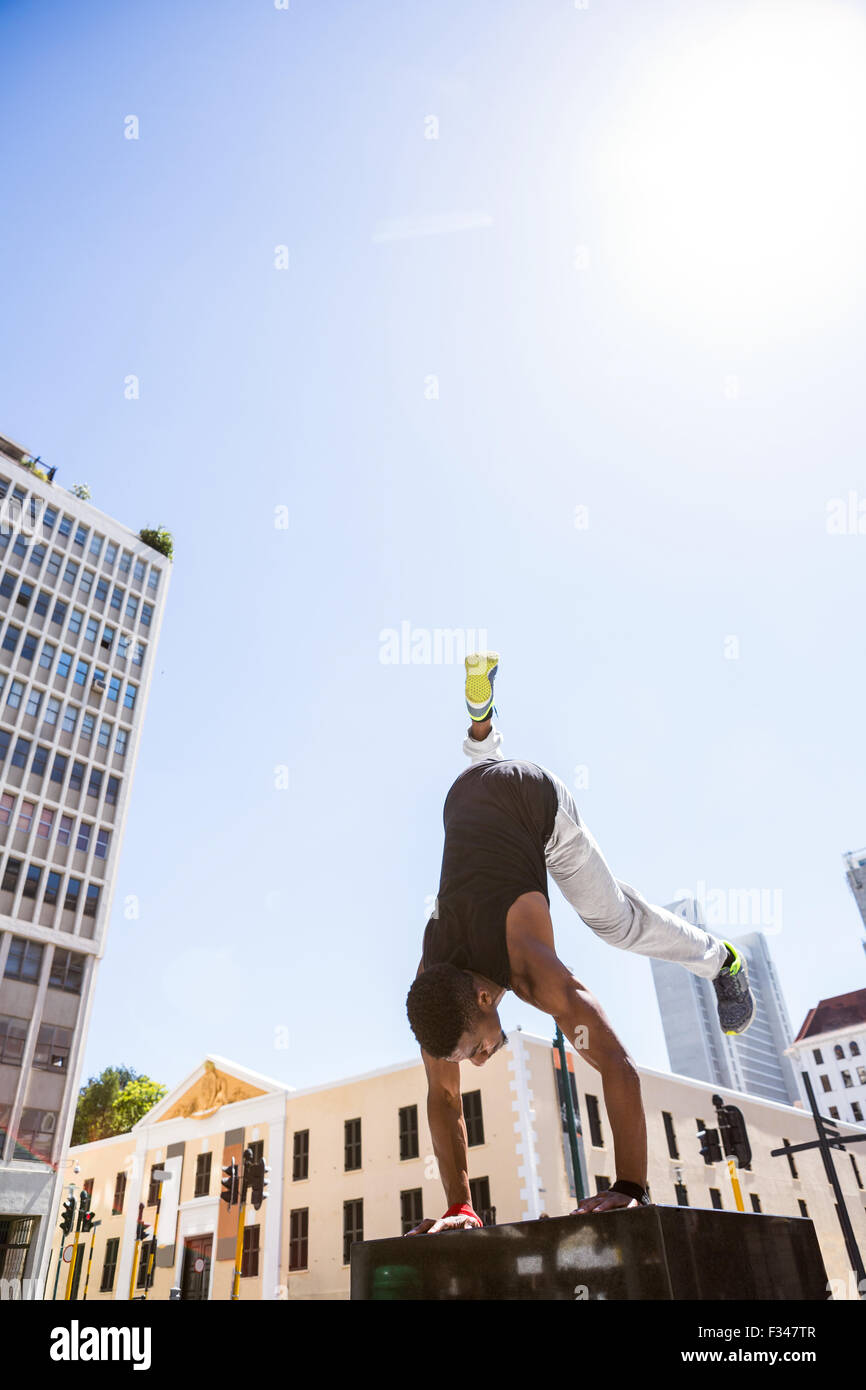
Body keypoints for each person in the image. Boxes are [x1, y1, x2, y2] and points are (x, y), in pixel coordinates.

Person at [404, 653, 755, 1235]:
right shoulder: (436, 995)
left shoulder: (534, 972)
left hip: (538, 804)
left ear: (488, 1001)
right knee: (484, 788)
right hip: (463, 792)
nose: (478, 1060)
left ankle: (720, 960)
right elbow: (442, 1100)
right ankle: (480, 723)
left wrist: (630, 1188)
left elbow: (619, 1066)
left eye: (475, 1051)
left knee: (614, 921)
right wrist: (460, 1206)